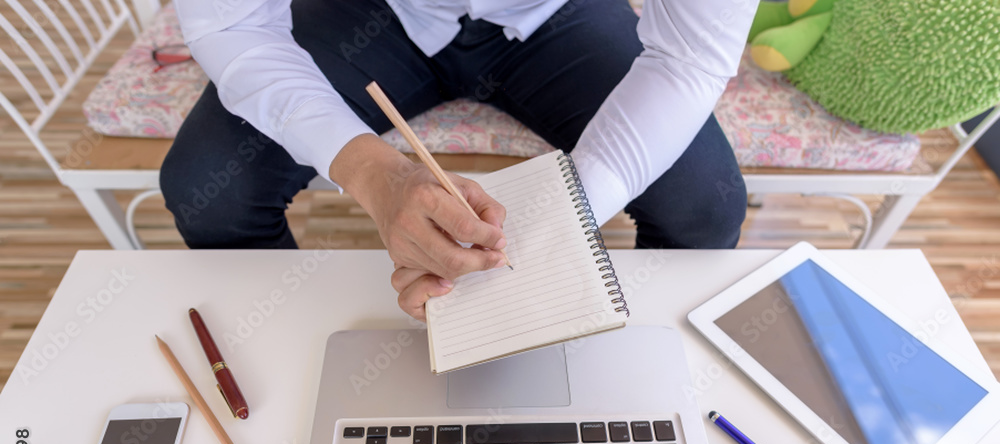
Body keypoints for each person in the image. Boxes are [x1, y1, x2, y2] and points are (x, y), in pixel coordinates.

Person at [163, 0, 754, 319]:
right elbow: (233, 23)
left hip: (559, 13)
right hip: (373, 12)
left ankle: (631, 357)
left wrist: (565, 221)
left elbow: (688, 59)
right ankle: (287, 355)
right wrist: (374, 174)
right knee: (208, 188)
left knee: (702, 205)